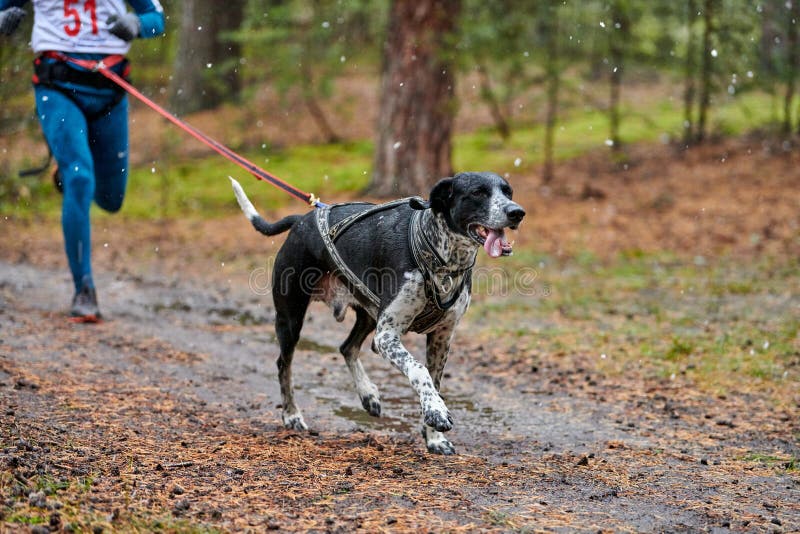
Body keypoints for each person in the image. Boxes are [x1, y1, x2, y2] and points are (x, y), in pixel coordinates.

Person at [0, 0, 165, 321]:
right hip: (57, 86)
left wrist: (137, 24)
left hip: (110, 91)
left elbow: (157, 19)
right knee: (80, 178)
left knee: (111, 199)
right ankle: (84, 290)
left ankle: (72, 169)